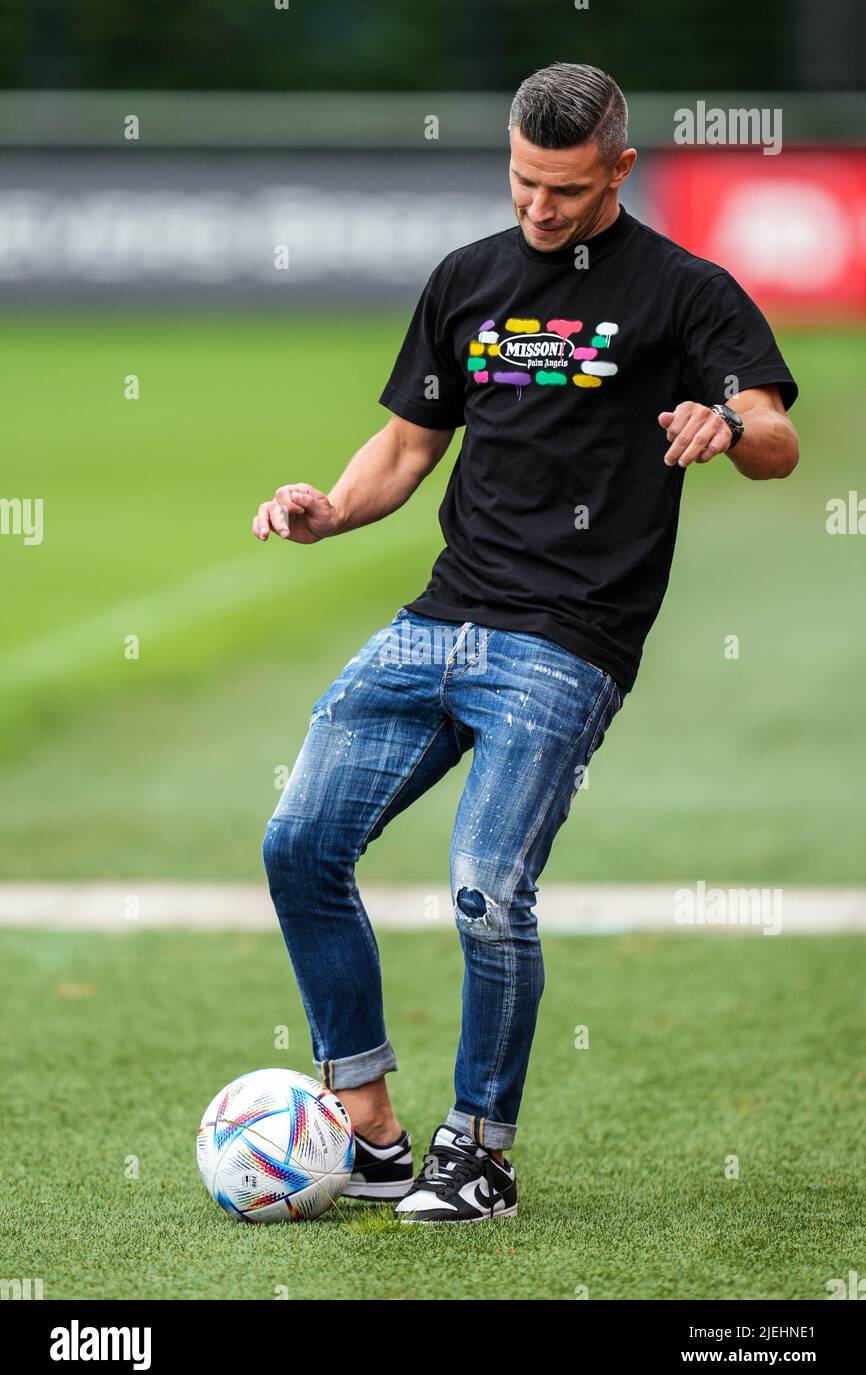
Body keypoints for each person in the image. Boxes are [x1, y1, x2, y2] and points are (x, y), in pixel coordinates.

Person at [254, 62, 799, 1224]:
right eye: (520, 182)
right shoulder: (469, 279)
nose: (537, 210)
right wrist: (327, 509)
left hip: (566, 643)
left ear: (617, 166)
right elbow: (405, 448)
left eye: (561, 188)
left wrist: (725, 420)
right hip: (437, 622)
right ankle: (372, 1127)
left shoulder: (684, 293)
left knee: (486, 891)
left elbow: (775, 434)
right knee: (298, 843)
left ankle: (480, 1151)